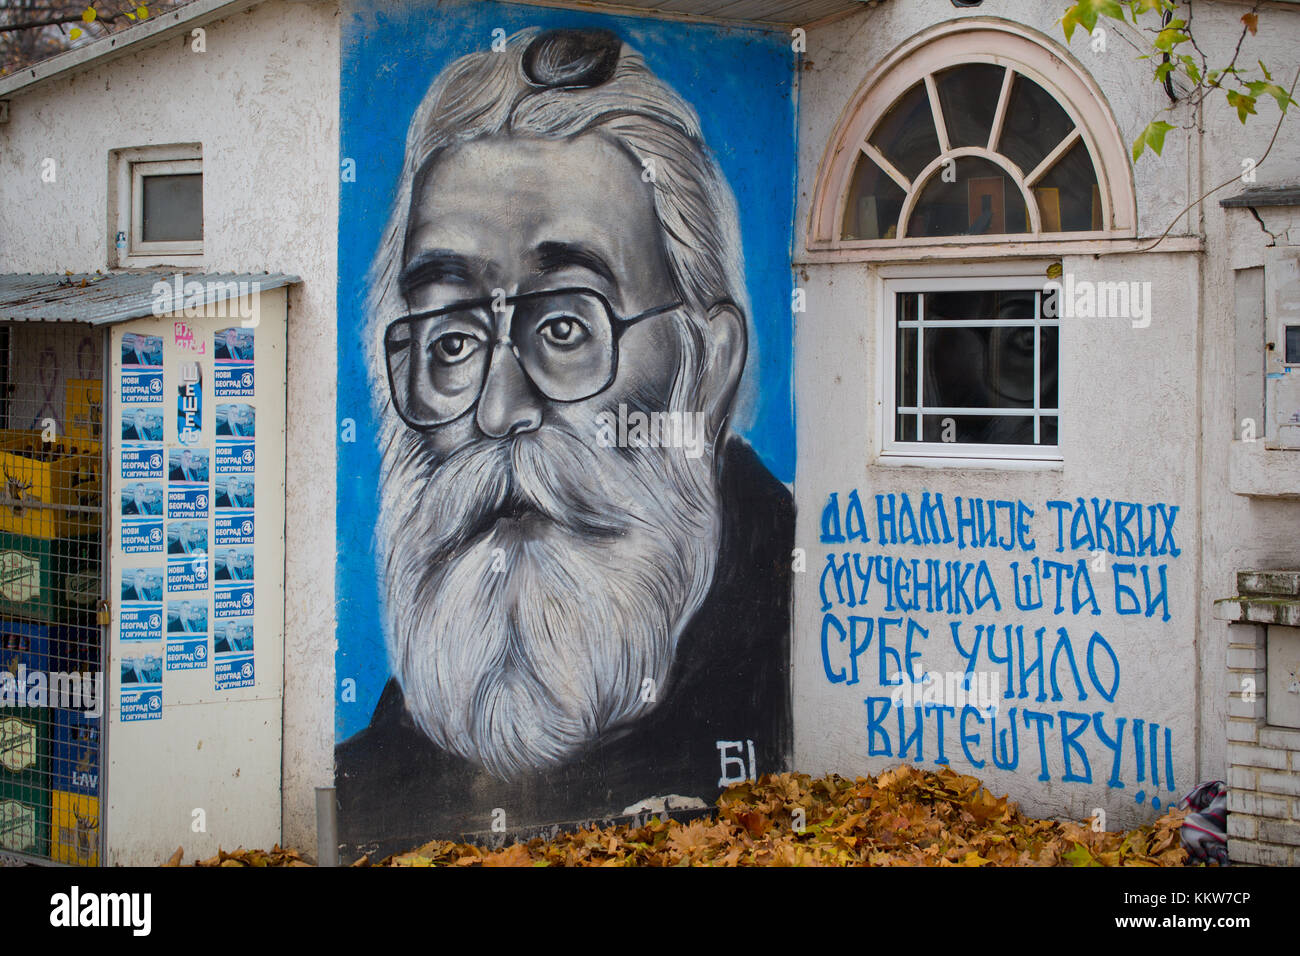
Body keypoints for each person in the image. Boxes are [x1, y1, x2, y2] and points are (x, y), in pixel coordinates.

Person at [335, 27, 794, 859]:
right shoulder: (365, 784)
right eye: (451, 340)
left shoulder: (810, 650)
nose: (500, 409)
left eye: (566, 326)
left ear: (708, 369)